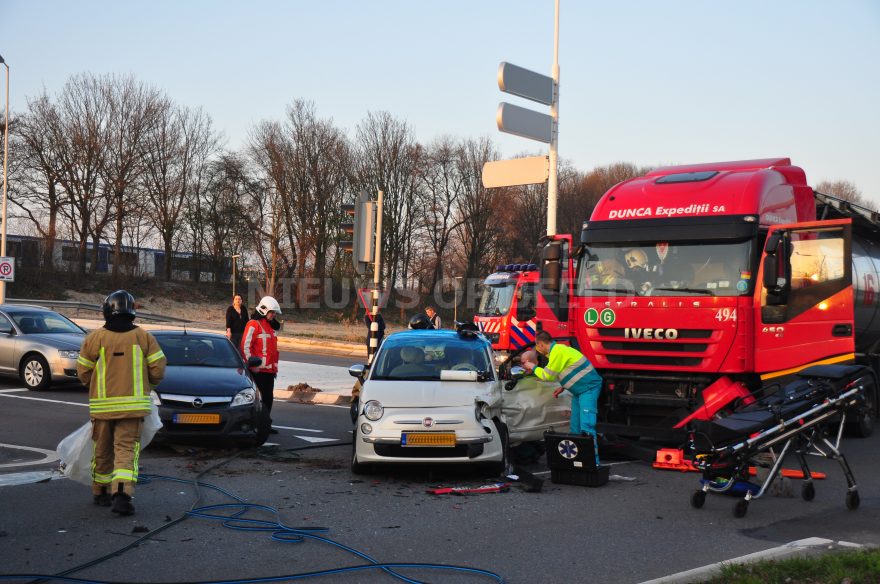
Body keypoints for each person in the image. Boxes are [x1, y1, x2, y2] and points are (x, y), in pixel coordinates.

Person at [76, 290, 167, 516]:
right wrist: (148, 385)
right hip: (132, 409)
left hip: (102, 409)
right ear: (131, 311)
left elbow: (83, 371)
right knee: (126, 452)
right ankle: (122, 496)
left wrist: (95, 386)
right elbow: (158, 368)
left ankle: (100, 492)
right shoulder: (144, 337)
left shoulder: (95, 338)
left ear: (107, 310)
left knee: (102, 451)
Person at [521, 330, 603, 465]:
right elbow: (570, 369)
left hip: (588, 389)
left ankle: (594, 463)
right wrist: (564, 386)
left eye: (537, 347)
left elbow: (547, 375)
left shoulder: (557, 352)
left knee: (587, 427)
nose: (537, 350)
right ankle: (579, 461)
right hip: (580, 391)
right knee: (575, 428)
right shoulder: (559, 350)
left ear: (540, 344)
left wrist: (532, 366)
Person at [241, 296, 282, 434]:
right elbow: (245, 347)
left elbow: (272, 350)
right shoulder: (253, 324)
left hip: (269, 371)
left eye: (274, 313)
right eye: (272, 312)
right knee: (257, 400)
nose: (274, 315)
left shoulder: (270, 326)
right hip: (258, 370)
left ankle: (265, 424)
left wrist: (274, 368)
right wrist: (252, 365)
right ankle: (255, 425)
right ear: (264, 310)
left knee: (268, 399)